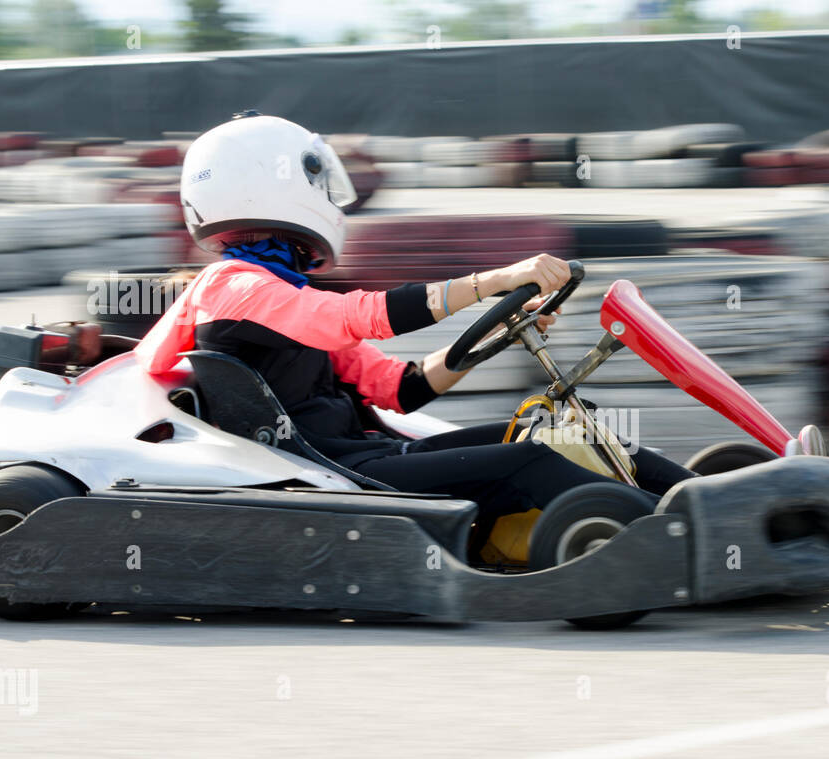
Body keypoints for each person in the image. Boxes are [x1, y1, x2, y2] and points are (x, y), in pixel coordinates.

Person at [135, 112, 693, 523]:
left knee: (567, 431)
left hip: (369, 450)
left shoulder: (283, 293)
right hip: (327, 473)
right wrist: (489, 281)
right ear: (266, 182)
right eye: (315, 179)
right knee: (531, 461)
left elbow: (401, 388)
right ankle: (684, 532)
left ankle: (710, 494)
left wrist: (498, 327)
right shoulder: (232, 287)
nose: (329, 196)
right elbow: (353, 317)